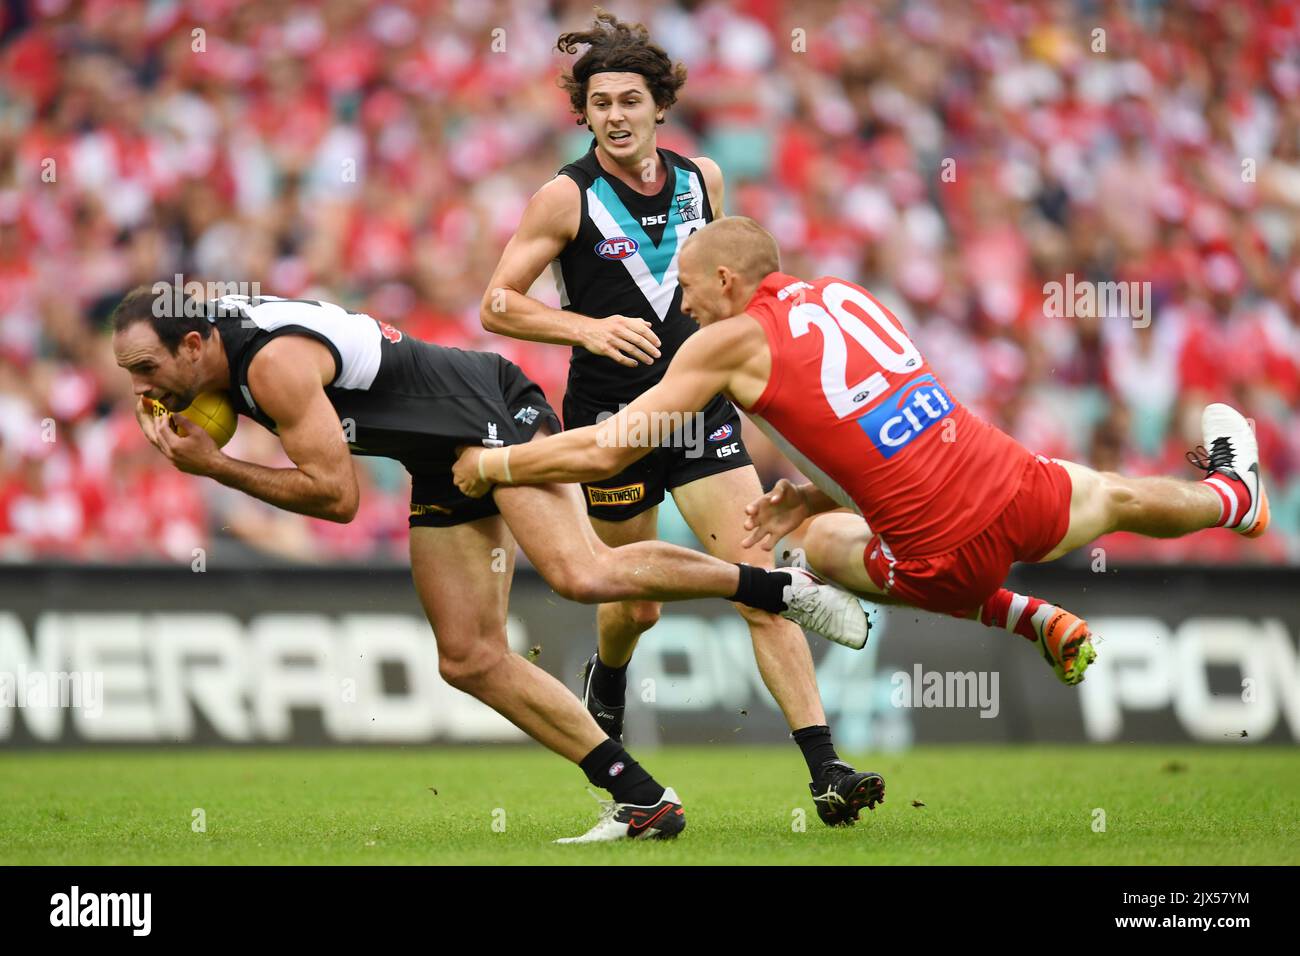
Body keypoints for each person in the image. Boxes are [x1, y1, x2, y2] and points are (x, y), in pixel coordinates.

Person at [110, 286, 870, 843]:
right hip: (435, 453)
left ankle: (780, 584)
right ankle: (640, 799)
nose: (140, 390)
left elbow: (338, 498)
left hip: (486, 413)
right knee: (468, 657)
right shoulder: (224, 356)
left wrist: (217, 468)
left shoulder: (269, 362)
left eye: (146, 367)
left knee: (582, 573)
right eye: (128, 374)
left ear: (195, 344)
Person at [454, 217, 1270, 686]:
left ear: (732, 281)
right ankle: (1235, 499)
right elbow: (881, 429)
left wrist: (497, 465)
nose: (684, 305)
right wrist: (814, 487)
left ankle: (989, 610)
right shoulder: (846, 293)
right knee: (1119, 494)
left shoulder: (728, 342)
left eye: (691, 290)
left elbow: (608, 452)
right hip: (1013, 486)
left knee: (807, 549)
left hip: (941, 558)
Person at [479, 10, 882, 825]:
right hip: (611, 423)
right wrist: (585, 328)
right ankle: (610, 679)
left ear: (660, 106)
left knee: (759, 584)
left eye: (631, 100)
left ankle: (826, 767)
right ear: (583, 113)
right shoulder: (565, 197)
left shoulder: (704, 181)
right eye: (600, 104)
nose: (617, 116)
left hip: (701, 413)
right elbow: (497, 304)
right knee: (634, 604)